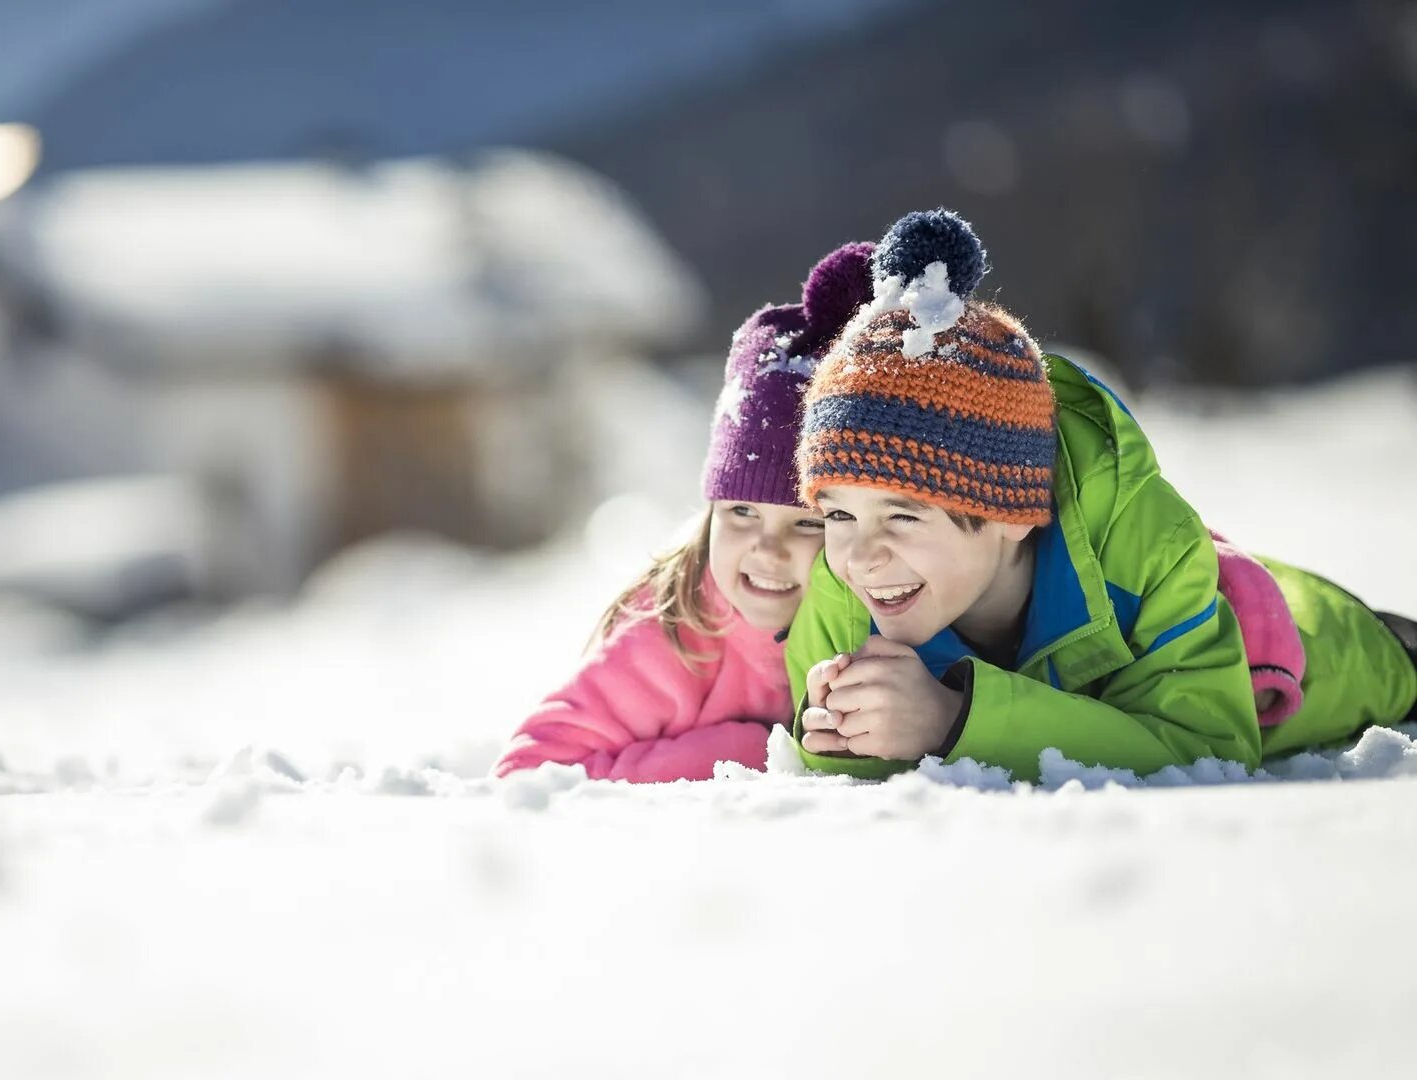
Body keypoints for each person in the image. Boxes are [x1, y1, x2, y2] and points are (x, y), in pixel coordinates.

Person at [786, 209, 1417, 782]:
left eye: (902, 514)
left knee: (1382, 659)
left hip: (1285, 642)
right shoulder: (844, 593)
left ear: (1011, 512)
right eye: (838, 511)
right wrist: (832, 727)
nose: (861, 557)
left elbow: (1212, 747)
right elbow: (828, 743)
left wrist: (957, 719)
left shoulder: (1147, 556)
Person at [493, 243, 876, 782]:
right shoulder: (675, 635)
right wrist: (738, 753)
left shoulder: (880, 613)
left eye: (806, 522)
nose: (768, 548)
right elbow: (528, 770)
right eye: (742, 511)